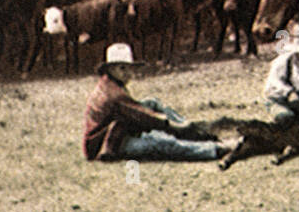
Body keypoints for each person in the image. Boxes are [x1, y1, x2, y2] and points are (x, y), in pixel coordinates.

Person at [83, 43, 230, 161]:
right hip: (108, 144)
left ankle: (196, 132)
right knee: (160, 142)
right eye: (122, 68)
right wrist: (170, 124)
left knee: (152, 103)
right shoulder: (113, 93)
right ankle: (212, 149)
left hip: (117, 129)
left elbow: (135, 112)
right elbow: (142, 115)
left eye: (130, 68)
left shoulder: (110, 83)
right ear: (109, 69)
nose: (128, 73)